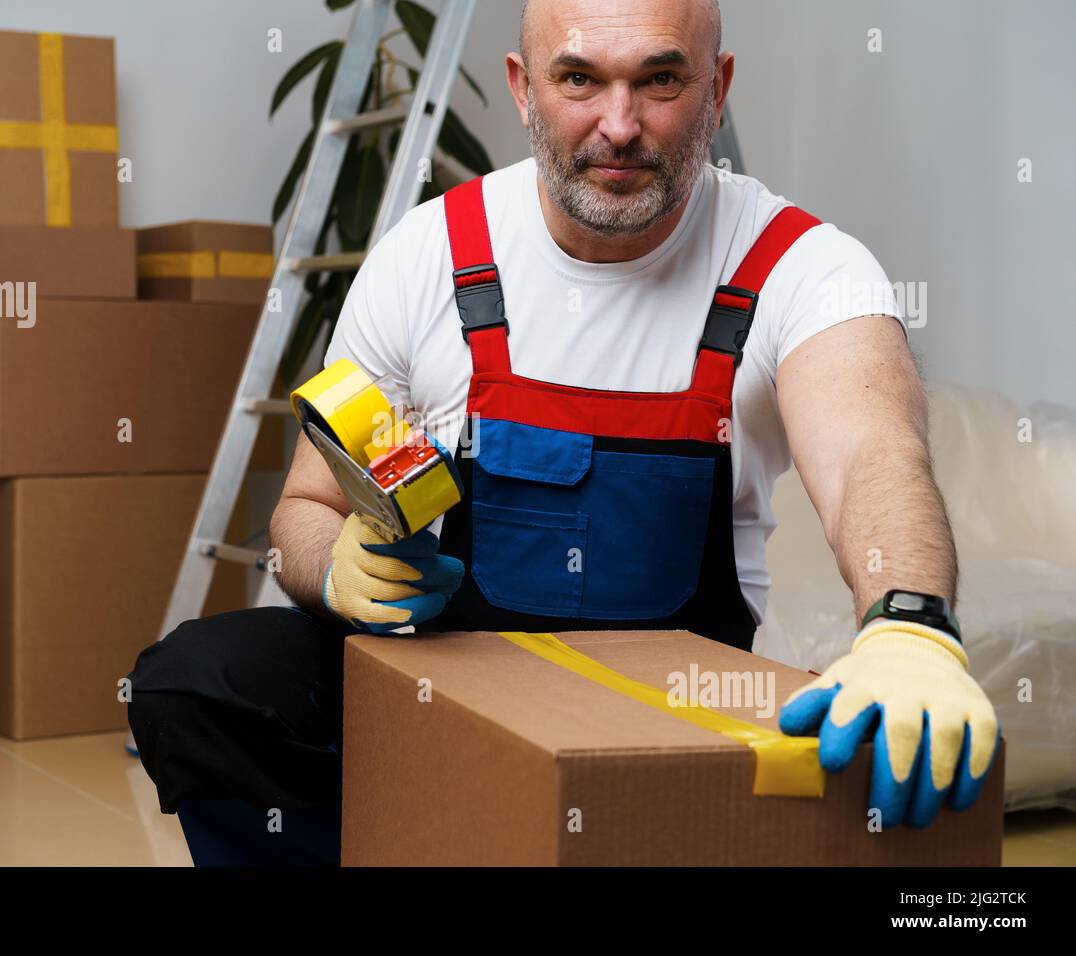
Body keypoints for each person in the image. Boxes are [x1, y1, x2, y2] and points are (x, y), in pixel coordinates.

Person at [127, 0, 999, 866]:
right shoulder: (429, 253)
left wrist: (908, 622)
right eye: (579, 78)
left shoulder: (797, 265)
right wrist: (339, 566)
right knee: (199, 684)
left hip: (659, 723)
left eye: (660, 80)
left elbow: (873, 452)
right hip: (440, 698)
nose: (618, 127)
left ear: (718, 87)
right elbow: (305, 508)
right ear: (522, 87)